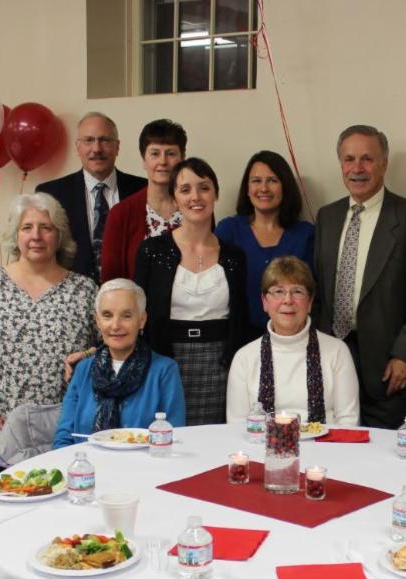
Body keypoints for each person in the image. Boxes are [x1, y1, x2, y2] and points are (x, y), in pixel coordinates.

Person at [0, 193, 97, 476]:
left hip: (64, 428)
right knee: (7, 506)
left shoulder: (84, 291)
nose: (36, 236)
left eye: (46, 227)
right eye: (27, 228)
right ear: (15, 236)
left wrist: (86, 354)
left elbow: (110, 348)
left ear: (59, 235)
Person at [312, 124, 406, 428]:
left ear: (384, 163)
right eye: (349, 159)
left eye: (367, 159)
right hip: (332, 359)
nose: (357, 168)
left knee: (384, 461)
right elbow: (318, 290)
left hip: (388, 367)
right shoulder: (326, 217)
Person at [132, 157, 249, 426]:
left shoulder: (234, 256)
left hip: (220, 366)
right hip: (164, 362)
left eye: (204, 188)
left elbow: (240, 320)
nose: (195, 197)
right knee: (167, 438)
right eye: (185, 190)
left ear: (216, 194)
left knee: (214, 443)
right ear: (174, 199)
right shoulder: (152, 251)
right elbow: (137, 315)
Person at [53, 278, 186, 447]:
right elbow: (64, 435)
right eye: (107, 315)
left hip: (145, 469)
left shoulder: (165, 370)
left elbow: (174, 435)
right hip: (87, 468)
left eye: (126, 315)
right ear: (98, 321)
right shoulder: (83, 369)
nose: (115, 325)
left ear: (142, 320)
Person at [227, 256, 359, 425]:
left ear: (310, 302)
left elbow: (348, 422)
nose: (288, 300)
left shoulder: (337, 352)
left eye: (297, 291)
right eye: (278, 291)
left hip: (327, 448)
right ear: (265, 302)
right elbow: (237, 428)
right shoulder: (244, 358)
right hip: (262, 449)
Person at [35, 112, 147, 282]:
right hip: (71, 298)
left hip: (130, 297)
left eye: (105, 140)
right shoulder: (51, 194)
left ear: (117, 147)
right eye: (88, 140)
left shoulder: (143, 190)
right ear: (77, 148)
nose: (96, 149)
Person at [216, 151, 316, 331]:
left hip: (292, 336)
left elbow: (313, 292)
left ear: (285, 187)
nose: (263, 188)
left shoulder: (306, 234)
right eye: (256, 181)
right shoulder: (228, 231)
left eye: (272, 180)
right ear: (247, 189)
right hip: (238, 338)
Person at [99, 118, 187, 283]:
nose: (163, 161)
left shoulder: (194, 208)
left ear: (182, 158)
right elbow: (111, 282)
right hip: (138, 308)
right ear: (144, 160)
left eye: (171, 153)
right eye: (155, 153)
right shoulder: (121, 214)